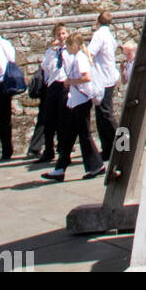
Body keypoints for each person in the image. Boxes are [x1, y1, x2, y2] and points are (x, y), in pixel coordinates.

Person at [41, 33, 104, 181]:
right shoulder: (77, 57)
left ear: (75, 45)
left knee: (84, 135)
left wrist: (70, 81)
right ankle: (60, 169)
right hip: (76, 100)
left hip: (81, 100)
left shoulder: (80, 58)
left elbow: (86, 77)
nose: (68, 48)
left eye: (69, 45)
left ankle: (96, 166)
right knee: (69, 136)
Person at [35, 23, 70, 164]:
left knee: (63, 119)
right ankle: (48, 150)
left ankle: (63, 150)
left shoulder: (70, 50)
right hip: (53, 84)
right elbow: (45, 66)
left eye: (63, 33)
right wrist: (53, 50)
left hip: (65, 84)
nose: (61, 36)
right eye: (59, 34)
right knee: (49, 119)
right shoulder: (51, 51)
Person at [88, 11, 119, 161]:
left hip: (103, 79)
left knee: (106, 114)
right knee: (101, 114)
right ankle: (107, 149)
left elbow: (90, 53)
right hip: (108, 77)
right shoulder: (109, 35)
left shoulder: (99, 35)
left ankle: (122, 145)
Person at [0, 23, 16, 161]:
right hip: (7, 83)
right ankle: (7, 151)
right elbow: (12, 59)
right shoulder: (6, 44)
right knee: (5, 119)